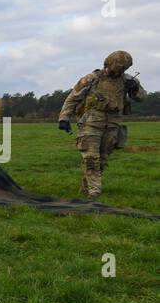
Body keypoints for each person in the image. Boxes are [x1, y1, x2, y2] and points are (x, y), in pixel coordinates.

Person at [58, 51, 144, 199]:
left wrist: (134, 89)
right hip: (91, 121)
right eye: (117, 68)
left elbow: (142, 97)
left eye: (123, 69)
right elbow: (72, 98)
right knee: (91, 158)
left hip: (113, 123)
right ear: (108, 64)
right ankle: (94, 192)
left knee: (102, 159)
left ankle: (86, 189)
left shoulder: (128, 81)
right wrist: (64, 118)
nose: (119, 72)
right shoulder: (92, 79)